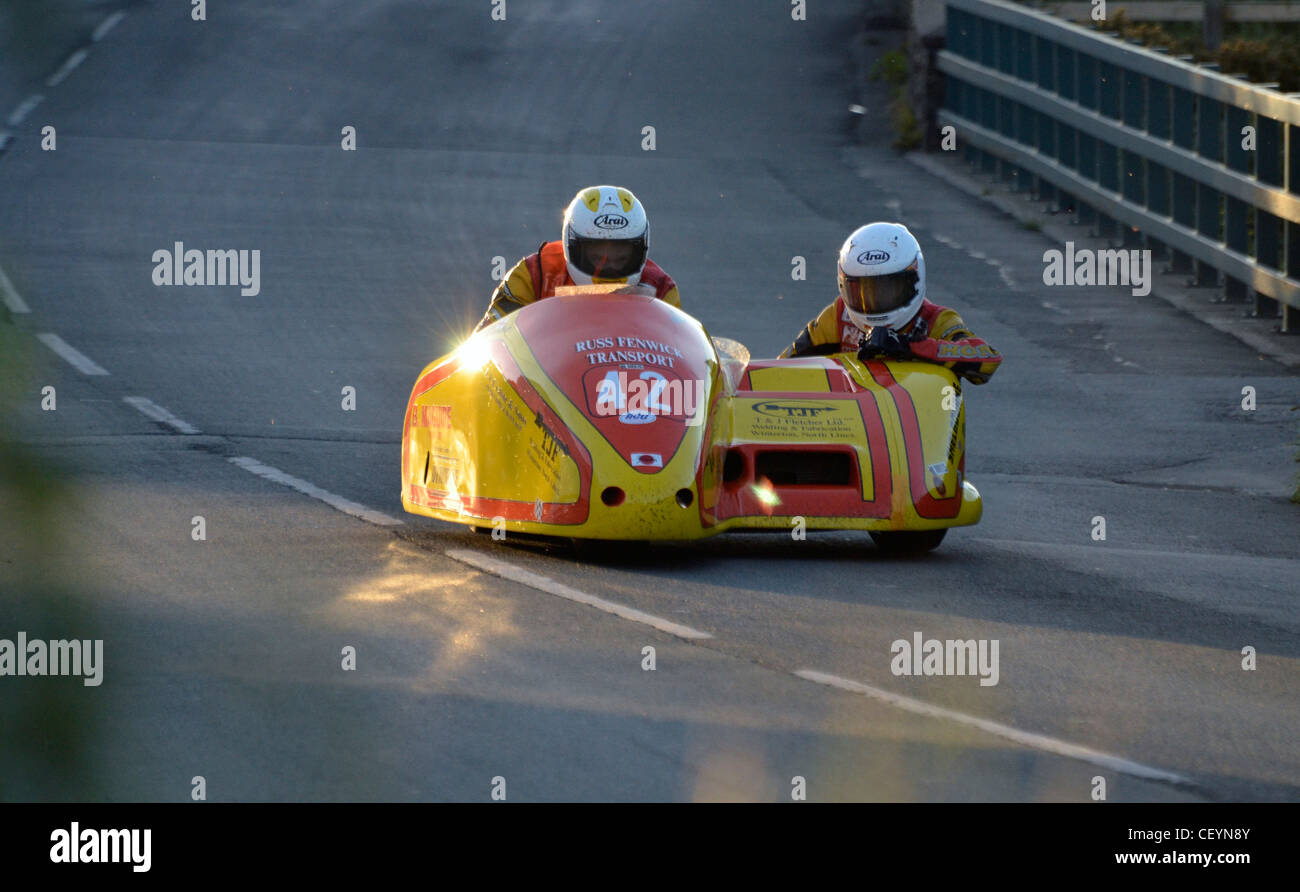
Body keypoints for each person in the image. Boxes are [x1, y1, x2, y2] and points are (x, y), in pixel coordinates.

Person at [780, 222, 1001, 384]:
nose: (875, 301)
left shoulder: (937, 320)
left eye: (888, 290)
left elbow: (989, 358)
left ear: (915, 279)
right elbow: (781, 368)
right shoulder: (838, 316)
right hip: (852, 425)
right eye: (863, 292)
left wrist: (908, 347)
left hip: (922, 426)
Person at [474, 185, 680, 331]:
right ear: (570, 244)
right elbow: (489, 342)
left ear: (640, 249)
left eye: (621, 257)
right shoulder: (533, 275)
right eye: (597, 256)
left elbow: (685, 355)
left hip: (631, 386)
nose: (608, 265)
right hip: (544, 386)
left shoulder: (660, 288)